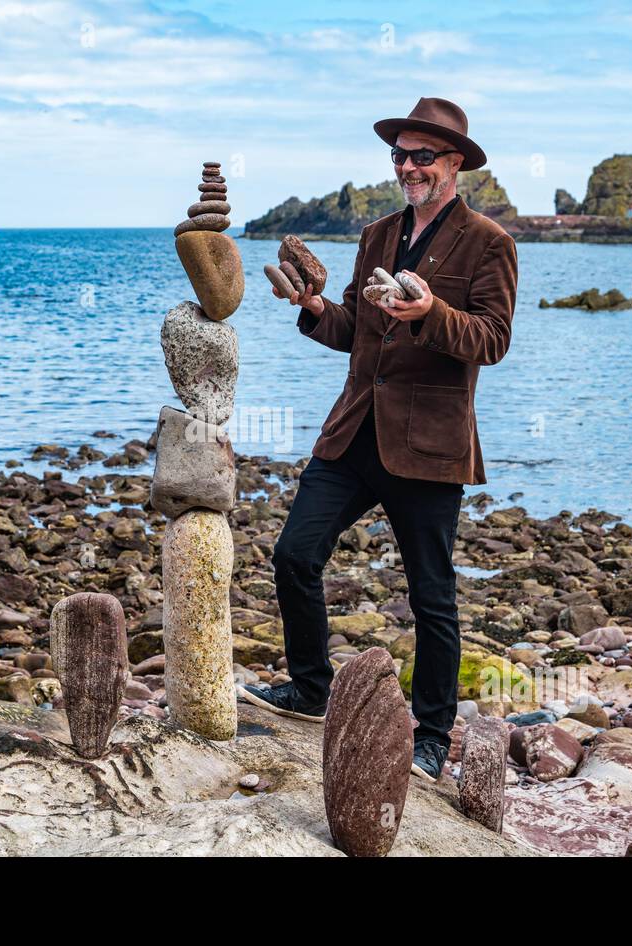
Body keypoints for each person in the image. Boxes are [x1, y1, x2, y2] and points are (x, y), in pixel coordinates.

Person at [239, 97, 519, 782]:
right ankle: (310, 686)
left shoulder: (489, 243)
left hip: (429, 447)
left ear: (456, 164)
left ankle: (431, 735)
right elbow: (358, 336)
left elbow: (492, 340)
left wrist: (431, 313)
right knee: (294, 555)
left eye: (423, 156)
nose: (408, 166)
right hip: (353, 431)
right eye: (401, 154)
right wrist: (313, 310)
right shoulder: (375, 234)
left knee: (431, 595)